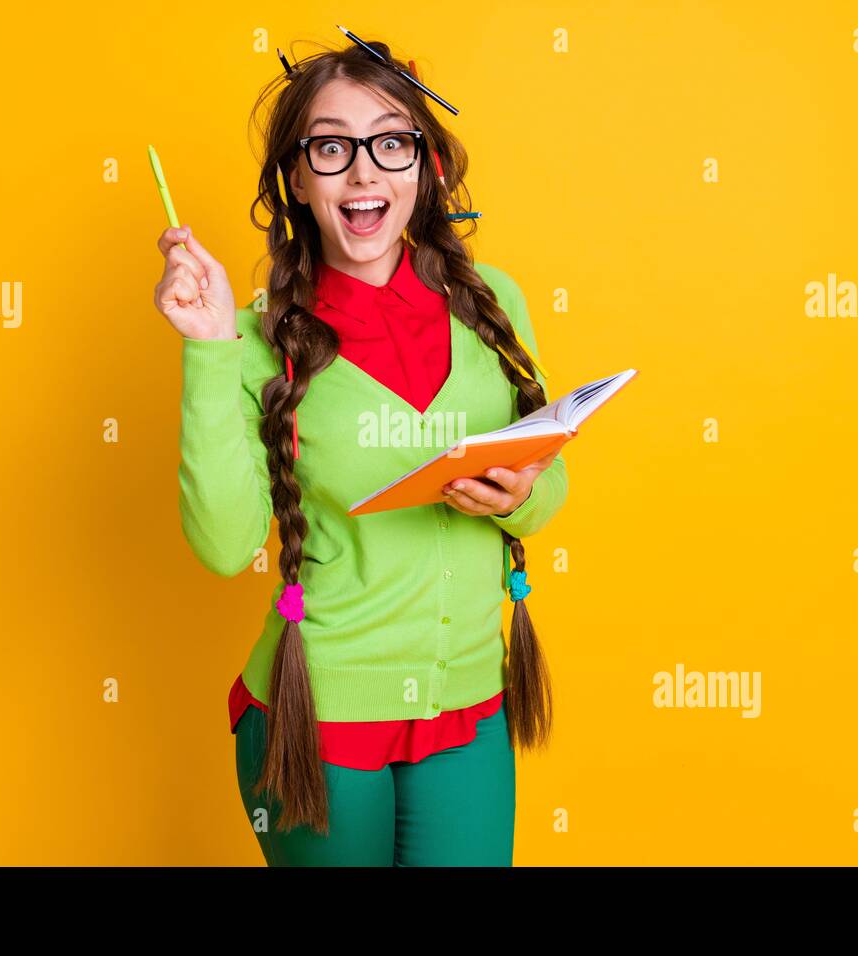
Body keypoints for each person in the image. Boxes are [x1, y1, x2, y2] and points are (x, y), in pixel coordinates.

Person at [152, 37, 568, 866]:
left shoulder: (496, 303)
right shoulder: (252, 340)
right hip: (319, 718)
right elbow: (225, 544)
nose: (364, 172)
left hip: (470, 707)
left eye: (391, 142)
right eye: (332, 147)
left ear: (427, 165)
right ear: (297, 179)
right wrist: (206, 349)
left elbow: (548, 487)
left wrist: (518, 495)